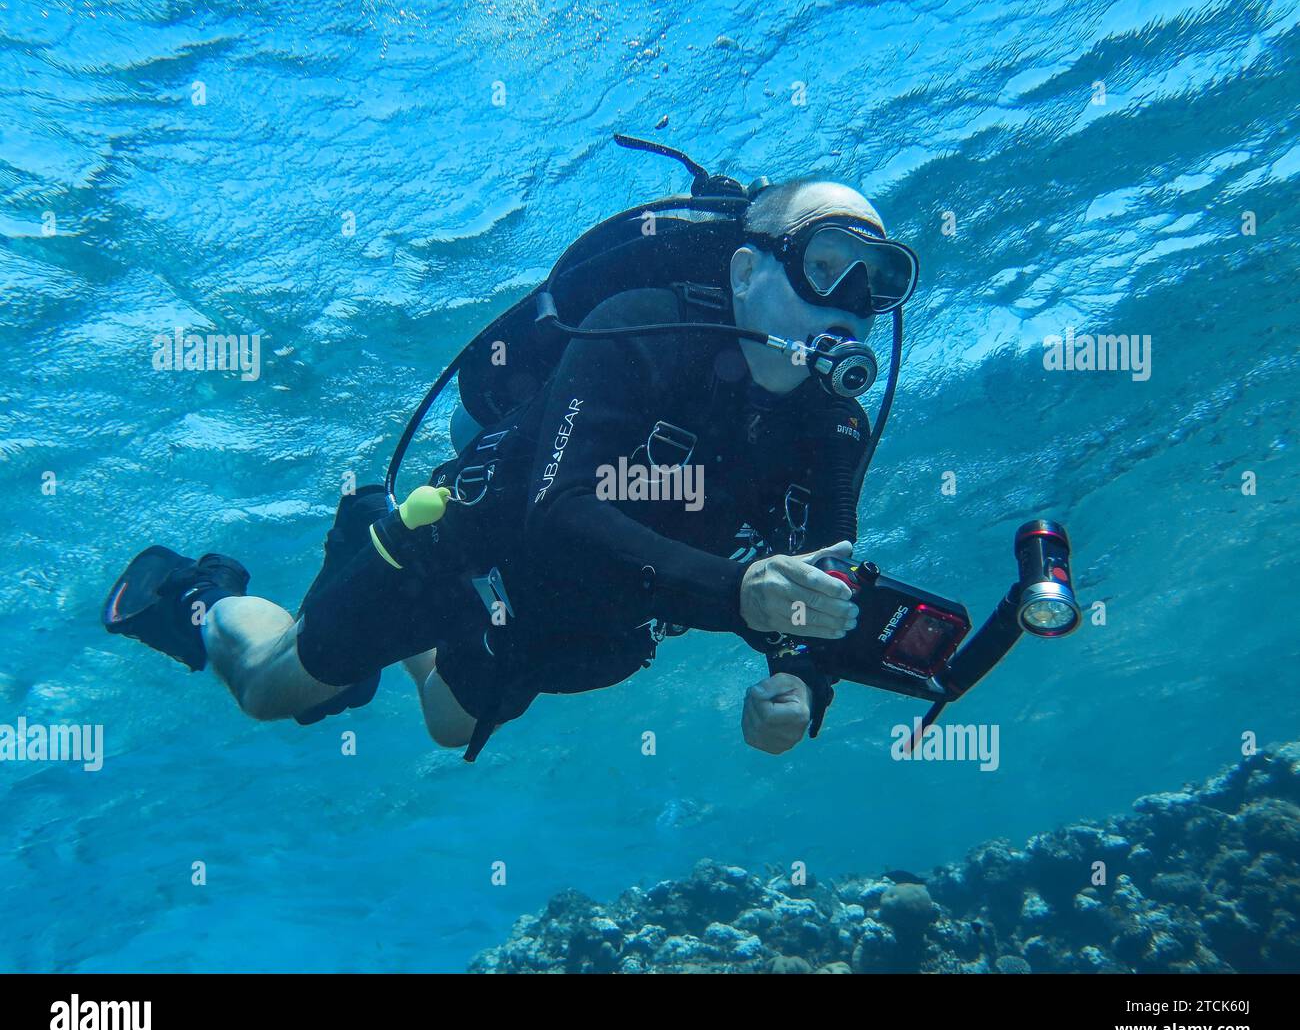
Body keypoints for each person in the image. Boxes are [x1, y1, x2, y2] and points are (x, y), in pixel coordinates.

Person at [103, 177, 919, 760]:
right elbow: (558, 511)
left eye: (878, 283)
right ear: (747, 272)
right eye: (825, 263)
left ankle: (373, 558)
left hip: (575, 617)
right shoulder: (638, 329)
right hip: (461, 546)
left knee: (449, 724)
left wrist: (801, 682)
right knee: (269, 690)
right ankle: (201, 593)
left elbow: (825, 587)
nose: (849, 302)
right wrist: (738, 592)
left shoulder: (834, 428)